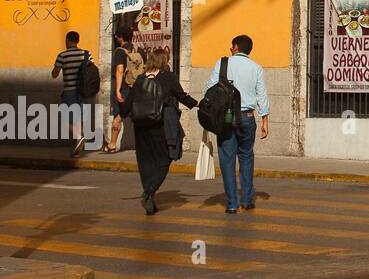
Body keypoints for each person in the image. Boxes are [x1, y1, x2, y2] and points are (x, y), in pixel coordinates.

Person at [123, 51, 196, 215]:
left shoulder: (141, 78)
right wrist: (196, 104)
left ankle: (150, 194)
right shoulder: (168, 77)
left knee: (145, 161)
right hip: (161, 125)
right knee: (165, 158)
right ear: (164, 60)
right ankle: (150, 190)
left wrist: (119, 117)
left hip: (141, 127)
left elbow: (129, 101)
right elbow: (181, 95)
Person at [206, 34, 269, 214]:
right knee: (246, 157)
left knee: (227, 160)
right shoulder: (256, 67)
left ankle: (232, 203)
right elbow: (261, 94)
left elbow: (209, 89)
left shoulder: (222, 63)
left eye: (231, 46)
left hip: (226, 118)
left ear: (235, 47)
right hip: (248, 117)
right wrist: (265, 119)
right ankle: (247, 200)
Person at [51, 30, 94, 157]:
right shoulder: (86, 54)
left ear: (67, 40)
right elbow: (92, 69)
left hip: (69, 92)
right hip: (83, 92)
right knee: (79, 120)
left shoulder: (62, 55)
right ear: (78, 41)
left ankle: (79, 137)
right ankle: (78, 148)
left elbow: (54, 74)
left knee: (64, 121)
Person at [104, 29, 140, 153]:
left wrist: (118, 90)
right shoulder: (138, 50)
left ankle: (112, 144)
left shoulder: (120, 52)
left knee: (118, 117)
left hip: (125, 87)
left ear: (120, 38)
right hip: (137, 87)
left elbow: (119, 70)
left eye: (116, 36)